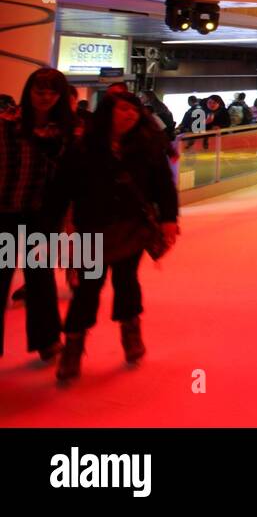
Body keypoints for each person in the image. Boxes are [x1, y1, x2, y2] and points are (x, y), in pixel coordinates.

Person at [56, 91, 180, 381]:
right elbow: (62, 189)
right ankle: (73, 345)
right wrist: (51, 228)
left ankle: (130, 331)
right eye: (122, 109)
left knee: (127, 281)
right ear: (107, 113)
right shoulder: (83, 147)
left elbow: (163, 184)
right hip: (92, 229)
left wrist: (169, 219)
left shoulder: (147, 146)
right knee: (87, 287)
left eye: (133, 110)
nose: (129, 114)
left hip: (130, 226)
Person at [1, 68, 76, 364]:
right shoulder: (7, 124)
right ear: (28, 91)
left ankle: (46, 340)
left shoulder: (66, 134)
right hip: (5, 211)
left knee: (40, 279)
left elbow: (69, 179)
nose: (44, 96)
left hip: (41, 216)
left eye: (51, 91)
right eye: (39, 90)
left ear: (60, 96)